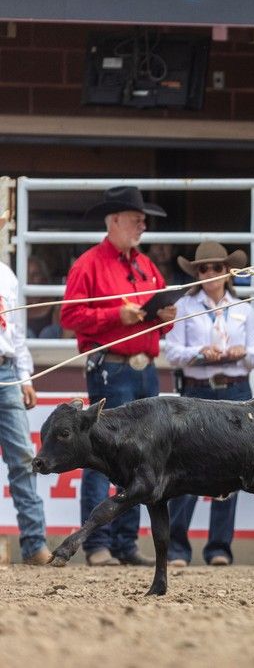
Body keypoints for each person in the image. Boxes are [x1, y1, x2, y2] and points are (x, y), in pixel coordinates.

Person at [61, 186, 177, 566]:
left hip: (142, 369)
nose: (143, 224)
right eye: (136, 218)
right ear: (114, 221)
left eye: (143, 219)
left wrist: (164, 321)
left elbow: (159, 319)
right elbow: (70, 317)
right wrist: (116, 316)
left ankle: (123, 544)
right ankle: (97, 545)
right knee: (102, 455)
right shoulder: (89, 265)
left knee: (142, 460)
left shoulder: (146, 266)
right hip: (112, 368)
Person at [163, 241, 254, 568]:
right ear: (197, 273)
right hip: (199, 388)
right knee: (184, 469)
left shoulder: (244, 310)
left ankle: (219, 547)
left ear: (226, 272)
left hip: (233, 387)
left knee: (231, 469)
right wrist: (198, 353)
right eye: (203, 269)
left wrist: (242, 354)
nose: (209, 274)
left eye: (216, 268)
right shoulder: (185, 308)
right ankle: (178, 548)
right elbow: (172, 353)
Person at [0, 217, 50, 565]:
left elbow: (15, 334)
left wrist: (25, 377)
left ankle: (34, 544)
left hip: (6, 369)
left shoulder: (6, 275)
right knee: (21, 459)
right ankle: (33, 543)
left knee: (23, 458)